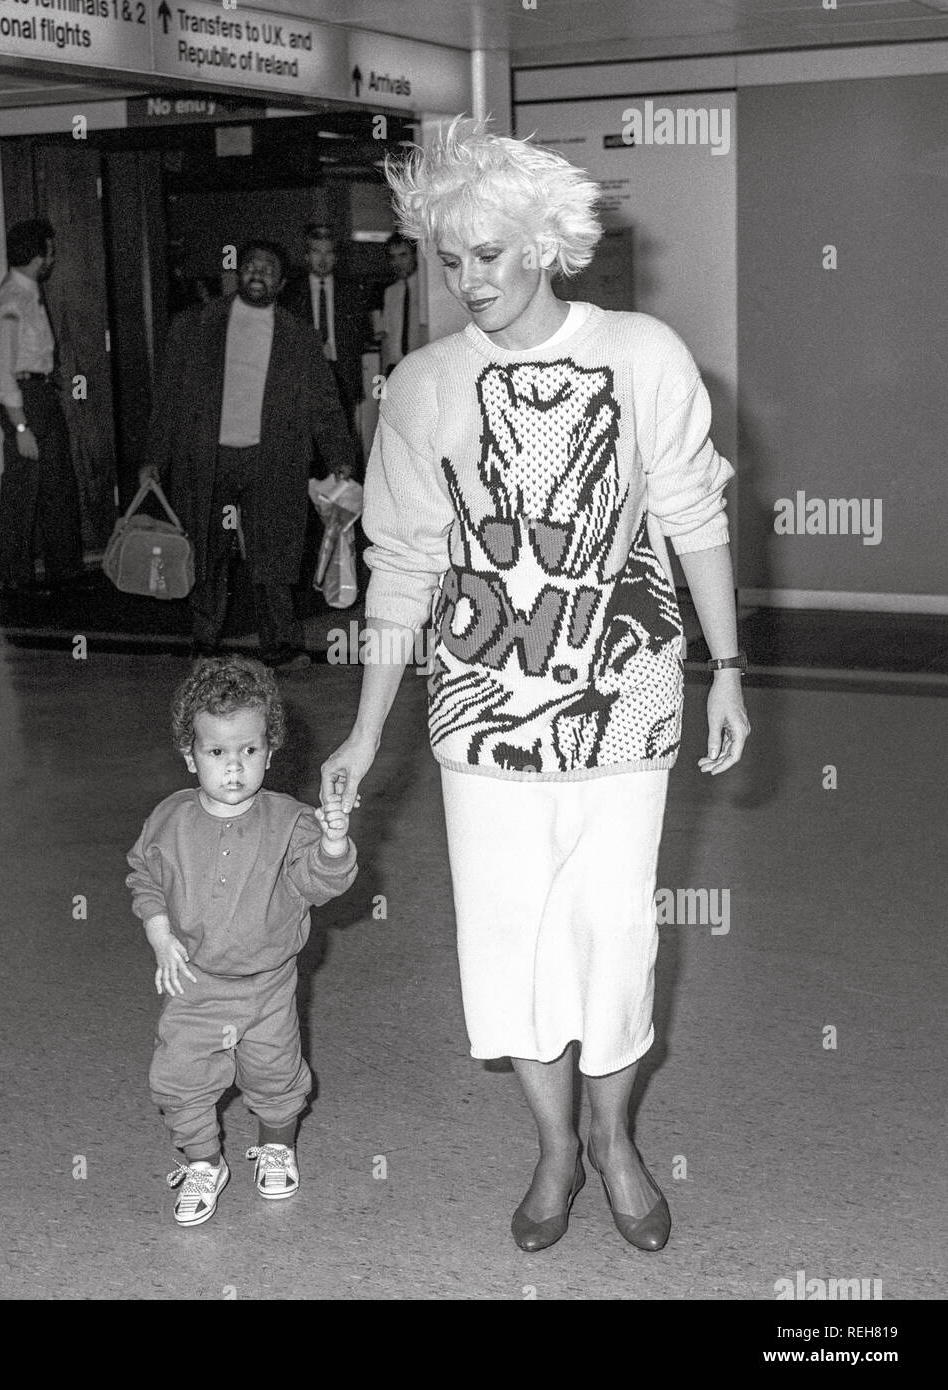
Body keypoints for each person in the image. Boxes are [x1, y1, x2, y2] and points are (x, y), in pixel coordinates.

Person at [320, 121, 750, 1255]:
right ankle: (556, 1148)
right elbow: (403, 563)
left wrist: (728, 670)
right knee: (509, 947)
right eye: (451, 259)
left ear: (550, 247)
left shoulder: (646, 355)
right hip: (480, 716)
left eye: (492, 257)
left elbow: (694, 514)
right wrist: (367, 732)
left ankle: (615, 1140)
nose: (469, 284)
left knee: (611, 935)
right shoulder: (422, 385)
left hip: (626, 699)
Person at [126, 654, 358, 1226]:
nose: (235, 767)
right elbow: (145, 875)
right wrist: (159, 932)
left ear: (271, 752)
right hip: (194, 984)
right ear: (189, 755)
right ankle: (204, 1163)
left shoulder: (291, 822)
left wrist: (332, 845)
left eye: (249, 751)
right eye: (217, 752)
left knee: (276, 1074)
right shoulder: (169, 819)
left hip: (268, 985)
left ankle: (277, 1144)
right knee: (177, 1079)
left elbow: (319, 884)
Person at [145, 240, 356, 672]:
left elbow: (323, 401)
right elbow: (167, 398)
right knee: (205, 550)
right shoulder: (197, 325)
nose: (259, 274)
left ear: (281, 283)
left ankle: (280, 643)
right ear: (238, 273)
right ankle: (204, 641)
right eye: (252, 267)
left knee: (273, 554)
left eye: (269, 270)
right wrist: (154, 458)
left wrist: (339, 456)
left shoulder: (298, 336)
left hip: (271, 461)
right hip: (209, 459)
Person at [0, 218, 87, 596]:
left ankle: (65, 570)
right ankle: (15, 576)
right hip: (25, 399)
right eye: (50, 249)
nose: (53, 257)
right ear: (36, 253)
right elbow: (5, 373)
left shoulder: (27, 293)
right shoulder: (12, 300)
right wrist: (21, 427)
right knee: (23, 489)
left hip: (39, 394)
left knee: (57, 484)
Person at [280, 224, 372, 435]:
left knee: (343, 437)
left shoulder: (352, 292)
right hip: (303, 376)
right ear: (306, 256)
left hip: (342, 378)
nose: (322, 259)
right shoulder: (290, 295)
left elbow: (363, 334)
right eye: (315, 251)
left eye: (328, 252)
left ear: (336, 257)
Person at [379, 232, 426, 375]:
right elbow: (386, 339)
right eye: (392, 257)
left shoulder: (426, 289)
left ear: (415, 255)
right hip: (394, 369)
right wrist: (380, 387)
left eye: (403, 255)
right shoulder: (390, 292)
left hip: (421, 368)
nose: (397, 263)